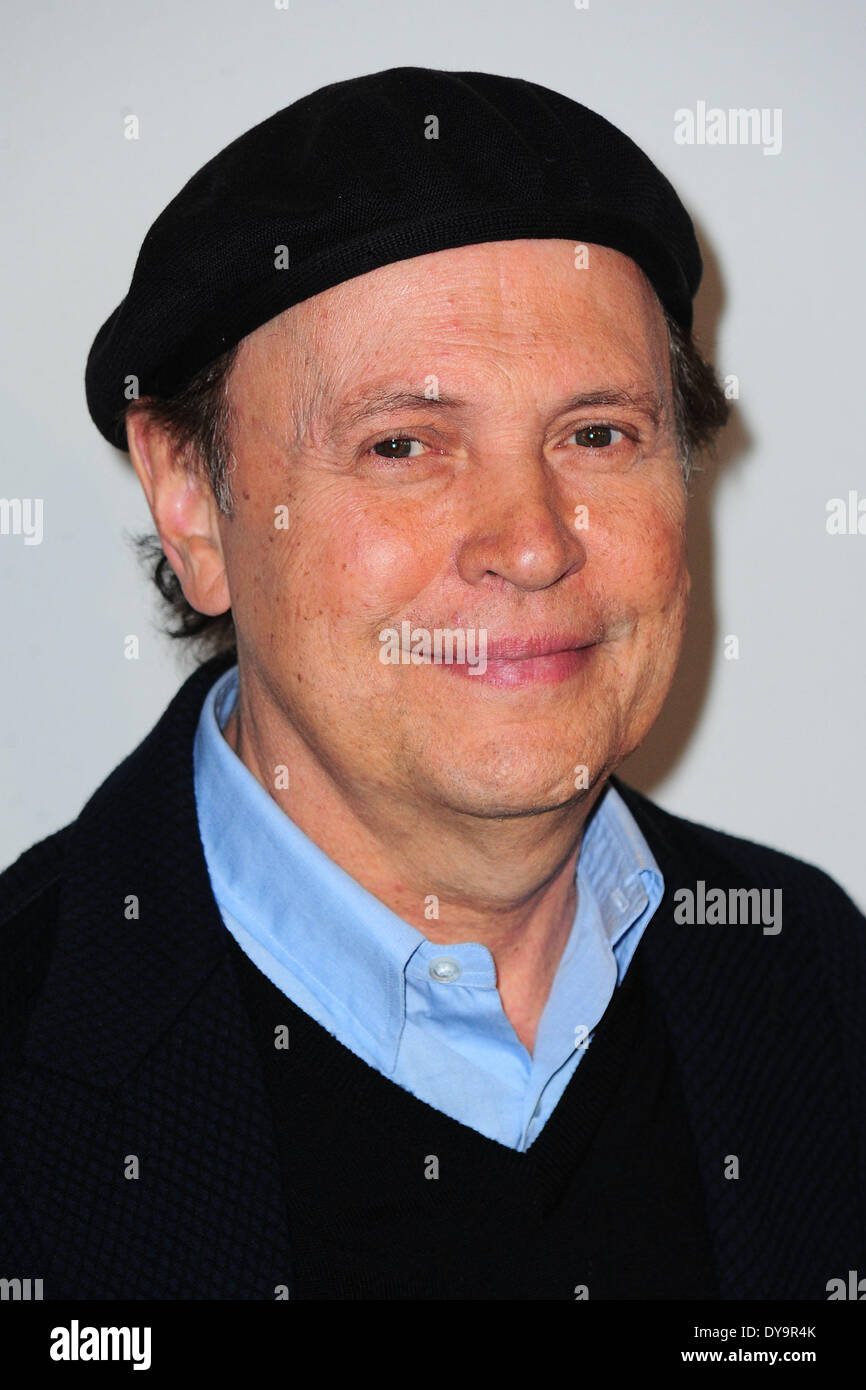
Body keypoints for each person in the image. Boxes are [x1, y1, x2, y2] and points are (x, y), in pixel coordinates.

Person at [1, 66, 863, 1302]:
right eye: (402, 444)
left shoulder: (813, 980)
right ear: (191, 501)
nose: (531, 541)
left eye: (598, 434)